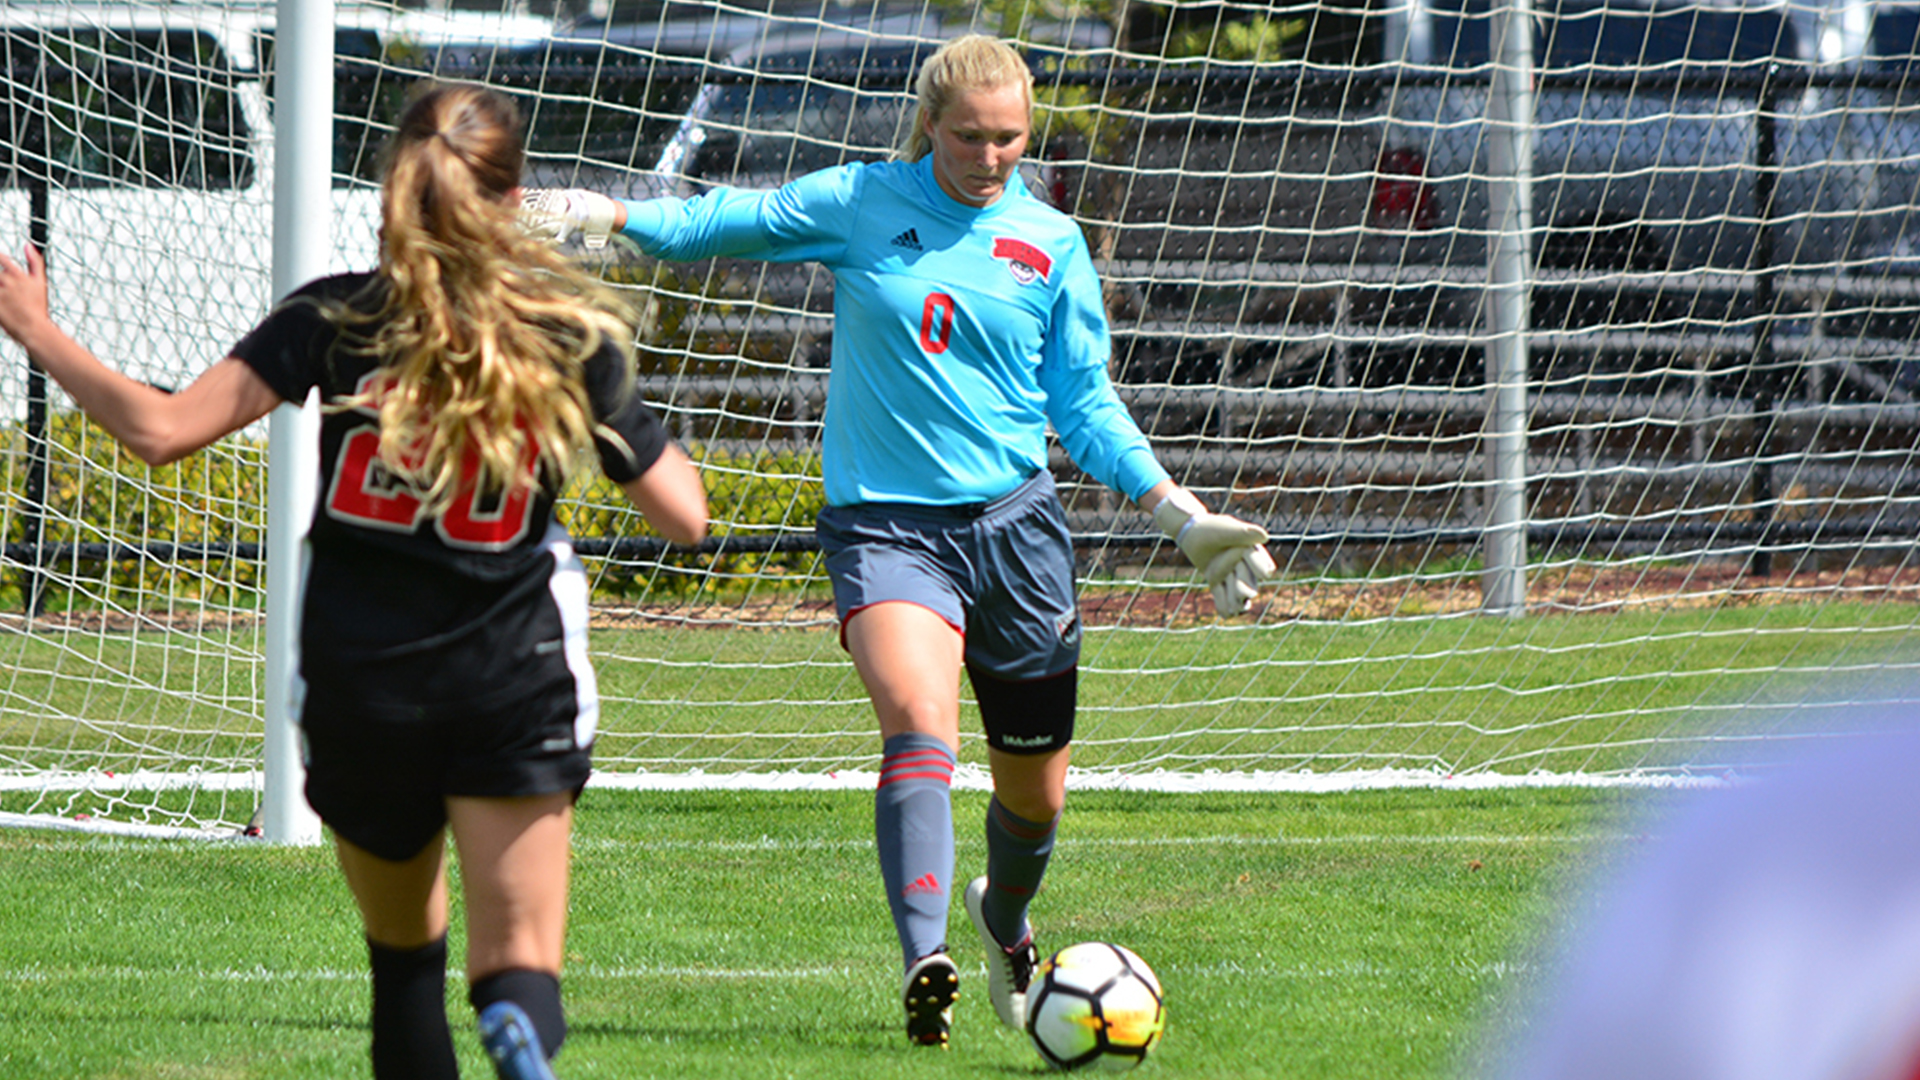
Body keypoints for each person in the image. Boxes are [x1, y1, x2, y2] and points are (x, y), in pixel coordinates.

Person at [521, 33, 1274, 1048]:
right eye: (970, 136)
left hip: (1017, 534)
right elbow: (721, 222)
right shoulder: (861, 201)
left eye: (1011, 138)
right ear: (930, 124)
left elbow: (1083, 402)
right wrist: (607, 215)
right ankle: (928, 956)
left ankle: (1002, 918)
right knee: (919, 722)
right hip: (885, 528)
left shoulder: (1050, 244)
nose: (991, 155)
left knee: (1035, 804)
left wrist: (1178, 514)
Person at [0, 83, 708, 1080]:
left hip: (360, 684)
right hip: (510, 677)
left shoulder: (331, 317)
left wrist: (37, 330)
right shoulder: (559, 336)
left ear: (393, 192)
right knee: (518, 967)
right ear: (510, 200)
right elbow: (685, 515)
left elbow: (158, 432)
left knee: (405, 971)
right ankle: (514, 1027)